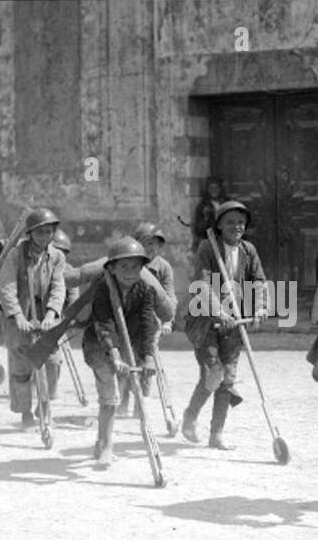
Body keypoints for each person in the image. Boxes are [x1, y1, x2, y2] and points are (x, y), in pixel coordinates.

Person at [182, 200, 269, 449]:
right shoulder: (207, 248)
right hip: (205, 320)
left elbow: (259, 280)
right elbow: (203, 284)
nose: (236, 226)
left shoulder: (248, 250)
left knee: (227, 379)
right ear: (219, 225)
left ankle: (216, 433)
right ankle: (190, 416)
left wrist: (260, 306)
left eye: (241, 222)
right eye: (230, 222)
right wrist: (219, 312)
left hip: (234, 321)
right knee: (213, 374)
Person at [82, 237, 160, 468]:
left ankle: (148, 444)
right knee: (110, 398)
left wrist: (148, 358)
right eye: (124, 267)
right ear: (112, 268)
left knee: (140, 395)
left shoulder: (145, 291)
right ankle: (105, 445)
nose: (130, 272)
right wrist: (114, 355)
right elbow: (104, 324)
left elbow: (147, 325)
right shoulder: (103, 290)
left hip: (129, 346)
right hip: (100, 346)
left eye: (135, 267)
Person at [0, 207, 67, 428]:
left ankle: (45, 403)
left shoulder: (57, 256)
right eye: (39, 232)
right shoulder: (16, 255)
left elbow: (58, 287)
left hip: (45, 315)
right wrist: (17, 316)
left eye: (48, 232)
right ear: (30, 233)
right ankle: (25, 412)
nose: (44, 237)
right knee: (21, 366)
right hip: (19, 314)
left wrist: (52, 313)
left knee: (53, 361)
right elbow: (6, 287)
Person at [117, 222, 178, 416]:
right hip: (128, 319)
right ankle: (124, 399)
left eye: (155, 244)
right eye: (146, 243)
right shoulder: (129, 263)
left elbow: (170, 296)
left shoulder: (164, 268)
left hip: (151, 321)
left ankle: (140, 403)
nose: (151, 248)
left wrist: (168, 321)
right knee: (126, 359)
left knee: (146, 359)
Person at [45, 227, 81, 401]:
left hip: (58, 320)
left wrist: (68, 318)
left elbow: (73, 297)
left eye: (63, 252)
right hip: (37, 316)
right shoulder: (40, 266)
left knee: (55, 359)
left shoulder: (69, 271)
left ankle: (51, 390)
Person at [191, 177, 228, 253]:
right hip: (210, 244)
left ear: (220, 189)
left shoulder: (227, 203)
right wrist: (205, 218)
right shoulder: (202, 206)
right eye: (211, 188)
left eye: (216, 187)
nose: (213, 190)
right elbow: (197, 230)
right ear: (207, 190)